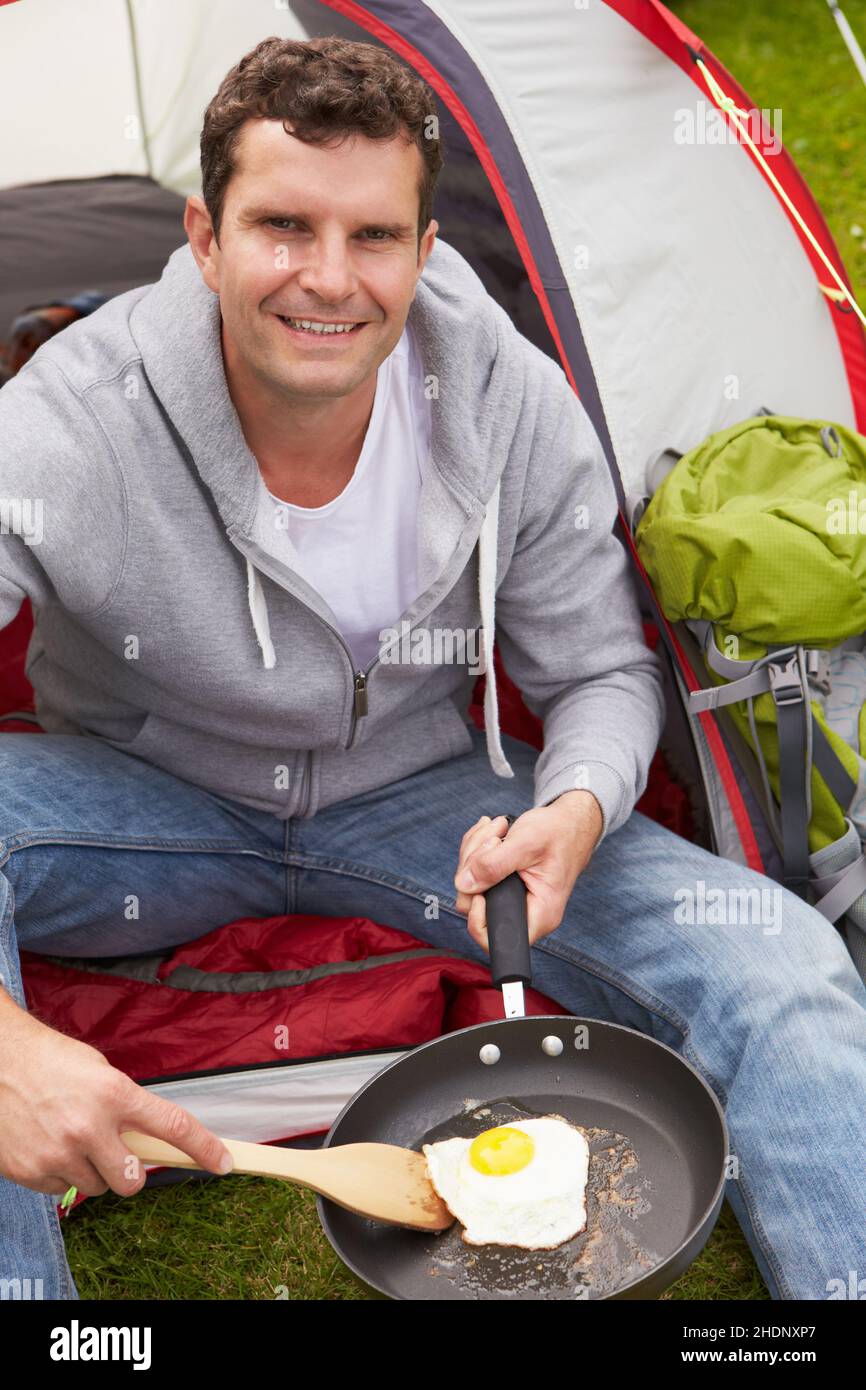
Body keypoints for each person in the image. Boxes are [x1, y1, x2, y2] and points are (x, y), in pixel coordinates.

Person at [0, 34, 864, 1303]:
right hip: (137, 796)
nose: (327, 280)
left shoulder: (506, 396)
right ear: (202, 235)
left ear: (426, 247)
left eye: (374, 236)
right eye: (282, 226)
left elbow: (599, 679)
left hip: (430, 805)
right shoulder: (72, 415)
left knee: (781, 966)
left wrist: (567, 809)